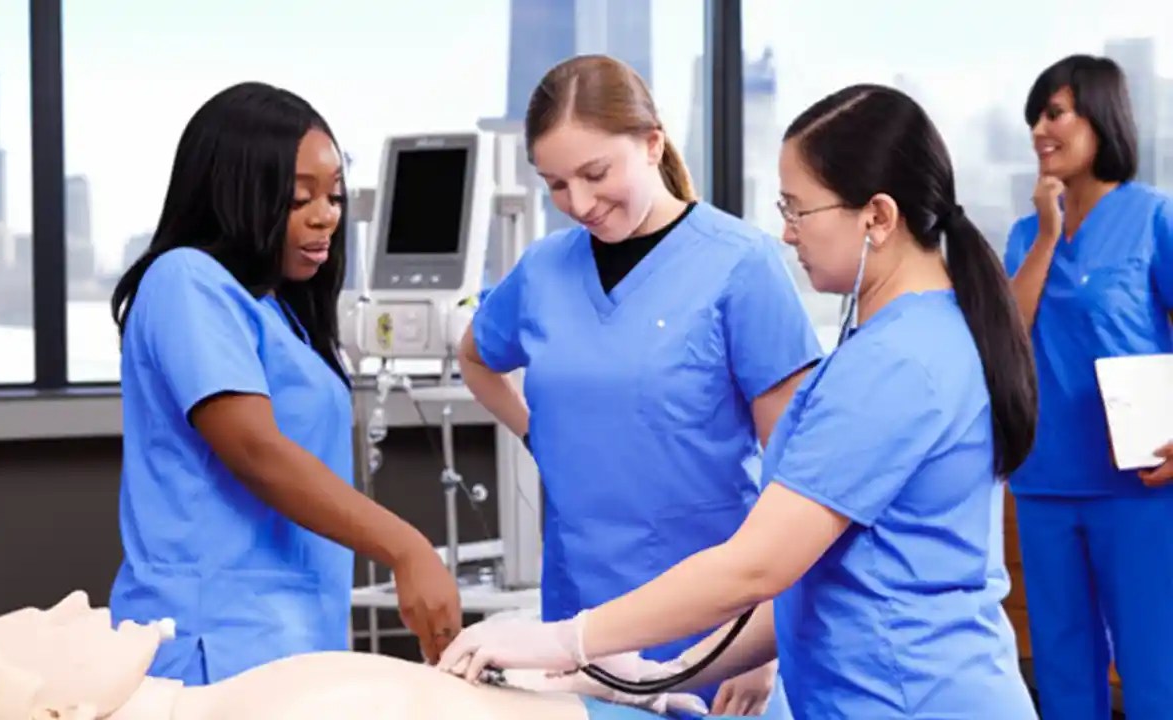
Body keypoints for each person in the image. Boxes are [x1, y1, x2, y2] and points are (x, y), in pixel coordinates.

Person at [439, 83, 1042, 720]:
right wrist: (655, 675)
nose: (785, 233)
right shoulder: (896, 341)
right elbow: (808, 575)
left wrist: (563, 637)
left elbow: (758, 567)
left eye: (798, 210)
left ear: (878, 217)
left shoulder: (900, 364)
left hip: (913, 696)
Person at [457, 54, 822, 715]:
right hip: (577, 631)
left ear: (652, 143)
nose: (580, 204)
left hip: (717, 638)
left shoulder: (742, 266)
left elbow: (802, 478)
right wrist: (542, 434)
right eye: (557, 185)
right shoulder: (543, 272)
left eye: (596, 174)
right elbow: (477, 357)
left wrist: (763, 640)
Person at [106, 81, 461, 685]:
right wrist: (408, 548)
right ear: (236, 194)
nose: (326, 216)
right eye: (300, 199)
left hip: (291, 639)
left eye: (335, 196)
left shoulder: (280, 310)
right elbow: (256, 451)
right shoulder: (185, 280)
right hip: (213, 641)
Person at [1003, 54, 1173, 720]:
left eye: (1055, 113)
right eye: (1034, 119)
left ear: (1102, 116)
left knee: (1153, 667)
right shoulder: (1024, 236)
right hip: (1044, 482)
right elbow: (1008, 336)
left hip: (1138, 485)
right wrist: (1048, 234)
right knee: (1063, 674)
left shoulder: (1153, 217)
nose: (1040, 130)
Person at [0, 591, 708, 720]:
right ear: (63, 713)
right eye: (44, 629)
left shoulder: (241, 700)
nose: (73, 605)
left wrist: (570, 672)